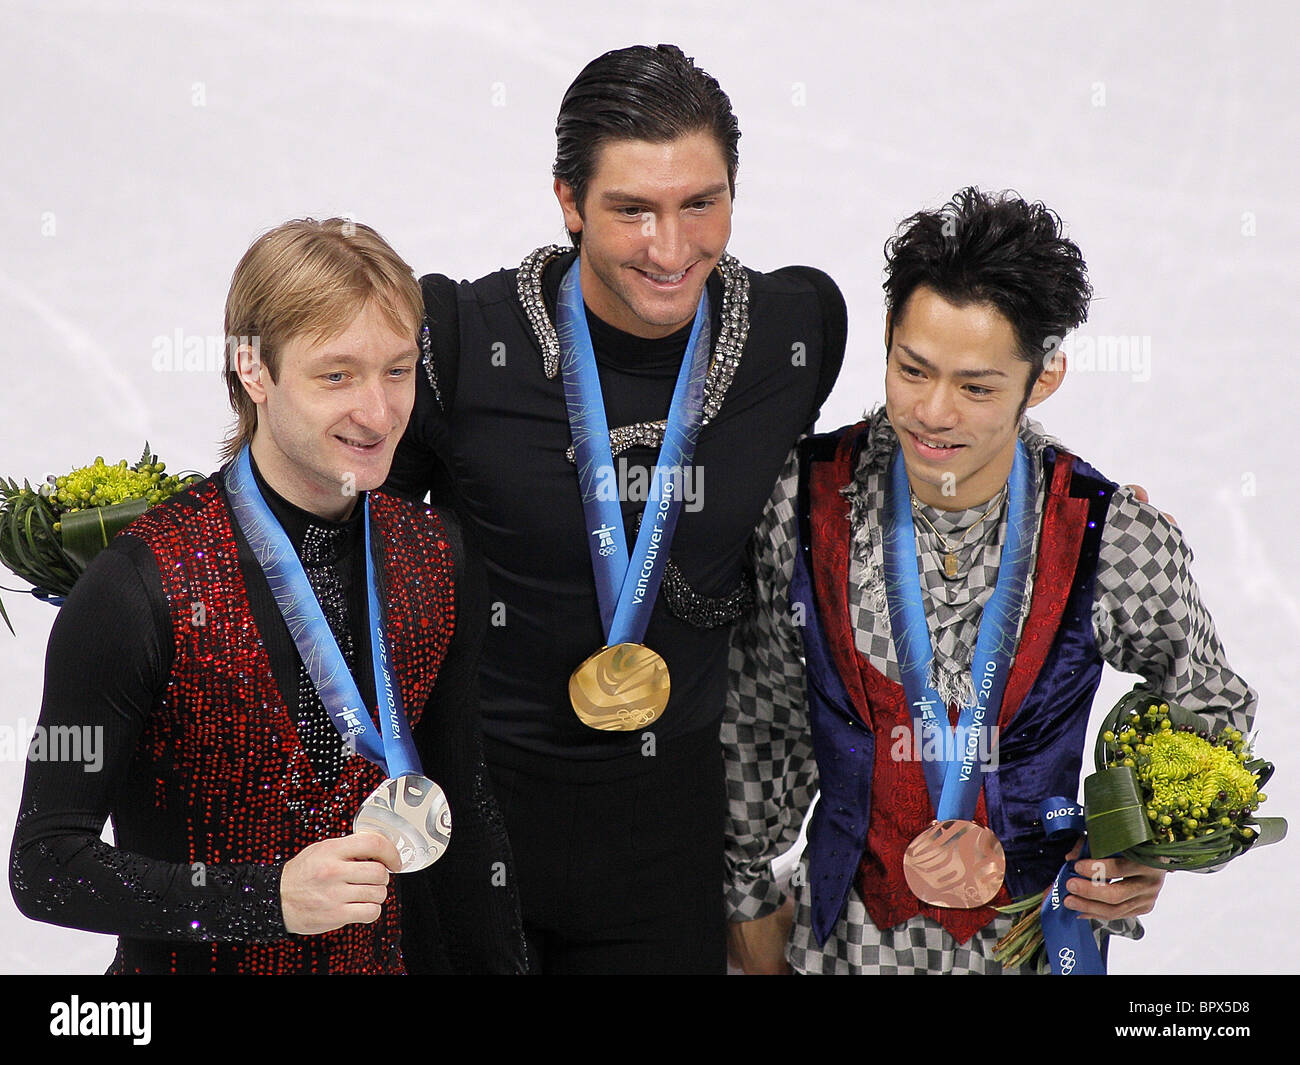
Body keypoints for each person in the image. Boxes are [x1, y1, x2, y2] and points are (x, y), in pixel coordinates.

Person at [385, 44, 846, 973]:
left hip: (667, 837)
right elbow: (343, 539)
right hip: (467, 816)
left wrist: (1065, 506)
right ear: (567, 201)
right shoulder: (458, 340)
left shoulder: (797, 333)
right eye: (632, 209)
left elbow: (901, 456)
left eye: (699, 204)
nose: (671, 250)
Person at [723, 188, 1257, 974]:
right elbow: (760, 725)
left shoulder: (1113, 536)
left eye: (976, 387)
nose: (933, 411)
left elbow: (1212, 707)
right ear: (886, 339)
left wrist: (1144, 846)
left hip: (1034, 949)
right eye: (913, 369)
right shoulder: (801, 504)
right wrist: (750, 908)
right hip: (838, 945)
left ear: (1043, 379)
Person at [10, 218, 526, 974]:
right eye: (337, 375)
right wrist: (265, 899)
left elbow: (462, 813)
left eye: (396, 370)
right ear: (253, 370)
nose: (380, 413)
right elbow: (46, 865)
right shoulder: (139, 585)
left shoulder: (436, 555)